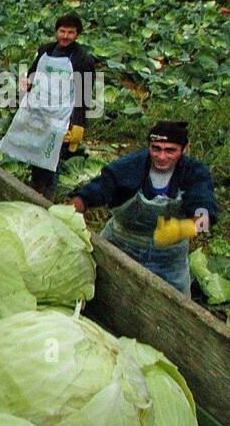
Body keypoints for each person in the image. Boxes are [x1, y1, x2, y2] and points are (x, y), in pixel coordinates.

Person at [71, 120, 217, 295]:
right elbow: (93, 192)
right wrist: (71, 211)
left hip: (169, 260)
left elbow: (205, 216)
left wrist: (184, 228)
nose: (161, 157)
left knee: (172, 311)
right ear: (149, 146)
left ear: (184, 149)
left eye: (170, 150)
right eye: (156, 148)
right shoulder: (130, 166)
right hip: (120, 246)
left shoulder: (195, 173)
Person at [0, 13, 100, 199]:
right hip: (38, 110)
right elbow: (34, 71)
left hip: (62, 116)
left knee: (50, 157)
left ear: (77, 34)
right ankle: (33, 189)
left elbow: (83, 94)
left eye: (71, 32)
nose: (65, 36)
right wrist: (27, 83)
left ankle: (47, 198)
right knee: (34, 151)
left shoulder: (82, 59)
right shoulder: (45, 50)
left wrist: (78, 124)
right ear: (56, 31)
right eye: (62, 31)